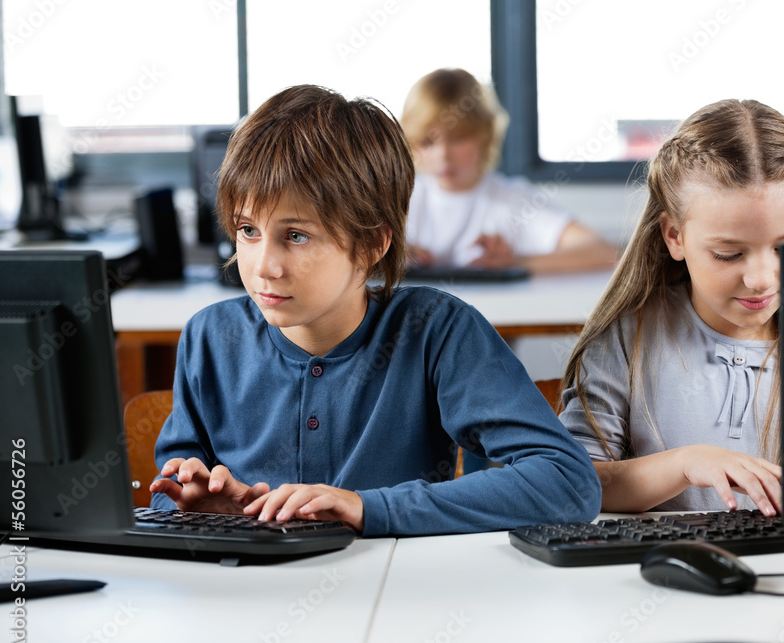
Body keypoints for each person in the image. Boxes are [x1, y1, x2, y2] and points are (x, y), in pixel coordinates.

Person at [148, 84, 601, 536]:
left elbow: (568, 484)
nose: (264, 266)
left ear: (371, 244)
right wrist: (199, 510)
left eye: (296, 236)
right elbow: (167, 497)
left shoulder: (436, 330)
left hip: (400, 594)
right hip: (252, 596)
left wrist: (366, 508)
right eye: (248, 230)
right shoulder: (209, 338)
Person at [558, 99, 784, 517]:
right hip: (661, 575)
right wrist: (685, 463)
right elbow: (575, 482)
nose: (762, 278)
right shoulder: (630, 335)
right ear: (674, 236)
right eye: (728, 254)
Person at [400, 68, 617, 273]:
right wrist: (392, 258)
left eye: (458, 138)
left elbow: (602, 252)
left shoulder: (512, 200)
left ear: (484, 137)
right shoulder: (402, 200)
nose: (443, 155)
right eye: (427, 142)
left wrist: (514, 263)